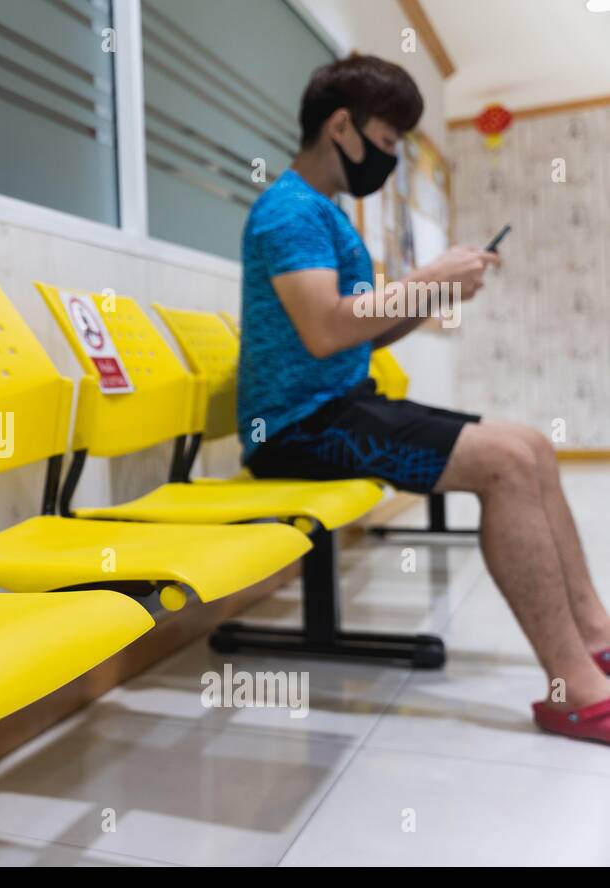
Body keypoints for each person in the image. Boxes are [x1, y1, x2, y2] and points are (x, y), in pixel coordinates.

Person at [237, 53, 610, 743]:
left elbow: (360, 335)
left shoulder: (327, 214)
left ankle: (597, 639)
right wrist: (432, 273)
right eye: (385, 142)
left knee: (530, 445)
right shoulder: (288, 211)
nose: (390, 158)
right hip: (294, 428)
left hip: (338, 404)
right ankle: (575, 691)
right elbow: (325, 329)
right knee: (505, 462)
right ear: (340, 125)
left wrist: (435, 290)